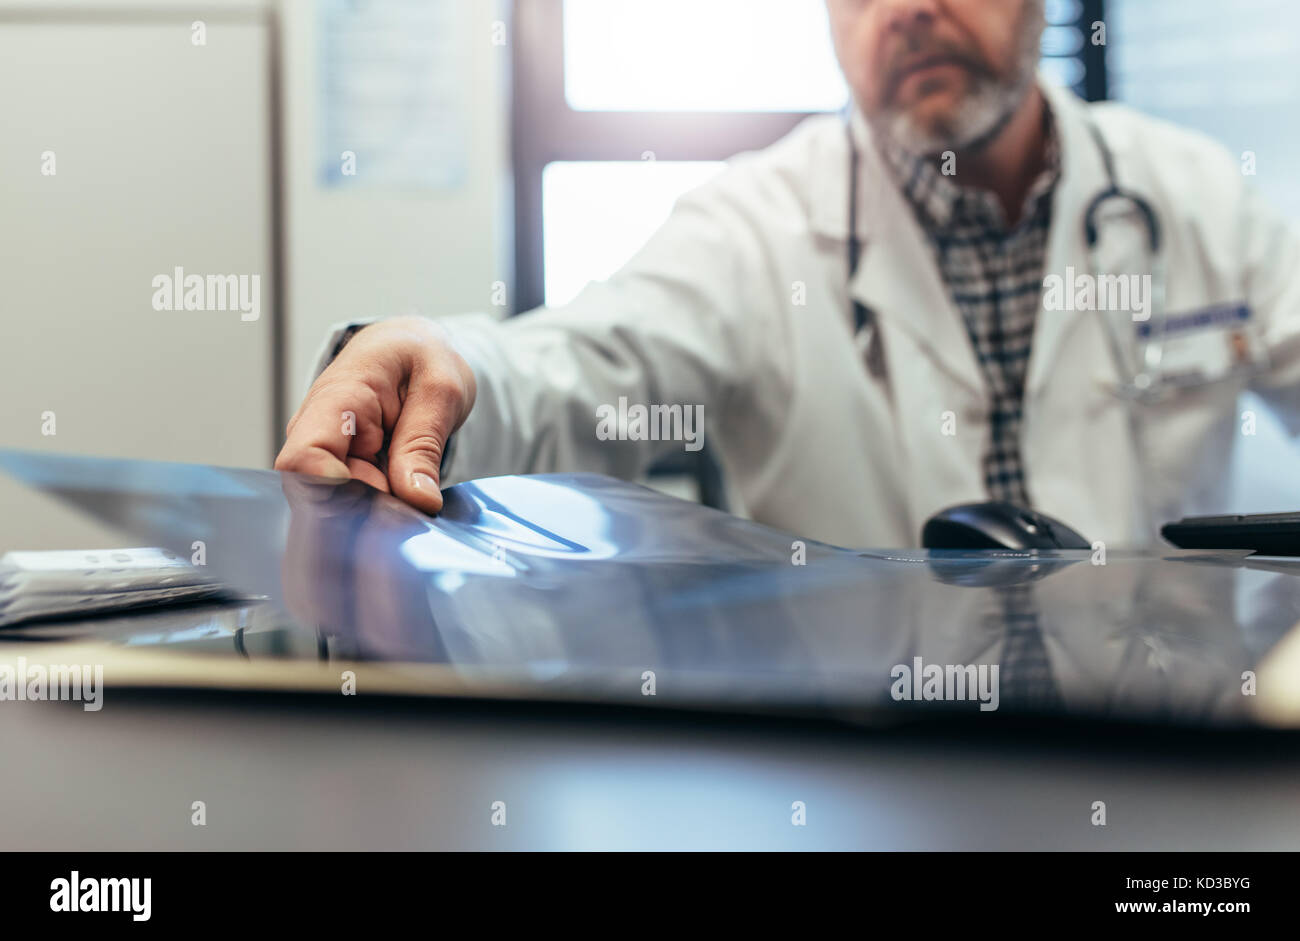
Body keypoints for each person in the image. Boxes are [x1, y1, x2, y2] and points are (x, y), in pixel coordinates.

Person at [275, 0, 1300, 549]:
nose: (904, 10)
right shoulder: (753, 225)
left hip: (1157, 751)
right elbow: (583, 359)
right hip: (862, 772)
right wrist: (446, 363)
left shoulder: (1194, 194)